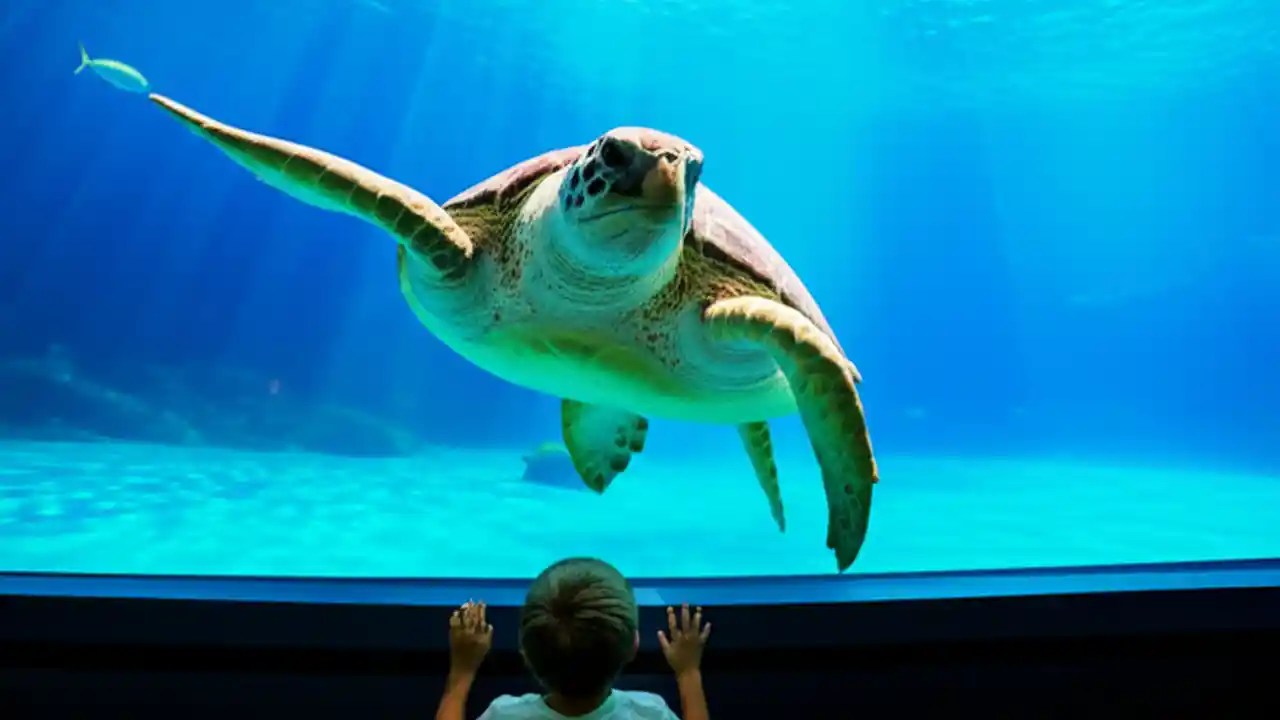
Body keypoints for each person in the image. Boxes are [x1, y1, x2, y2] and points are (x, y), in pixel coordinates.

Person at [435, 557, 711, 720]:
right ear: (633, 646)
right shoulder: (648, 712)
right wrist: (688, 672)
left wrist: (461, 672)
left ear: (526, 651)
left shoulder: (504, 715)